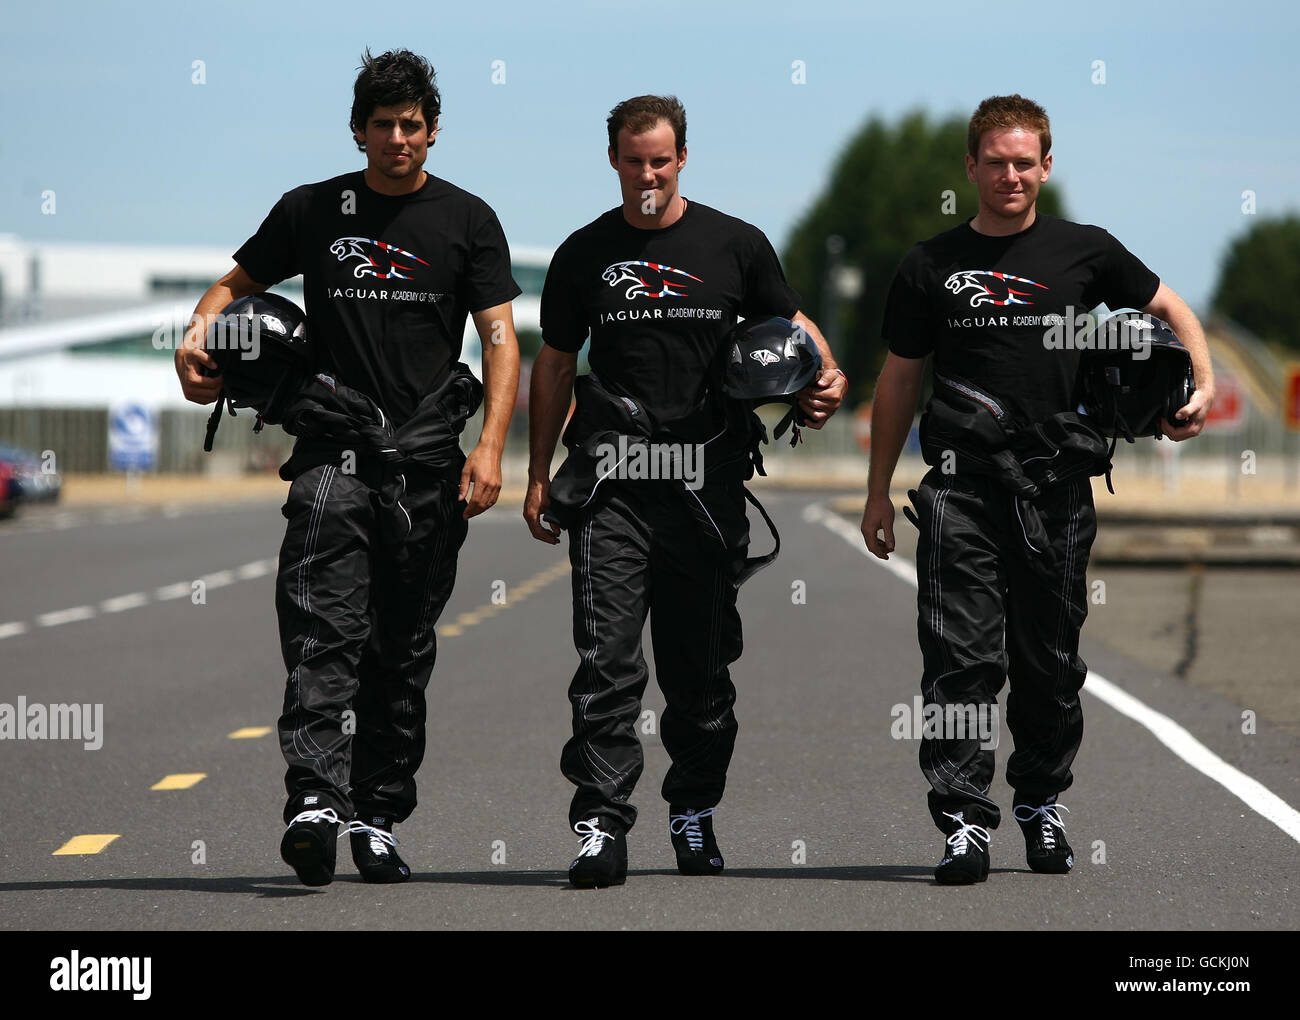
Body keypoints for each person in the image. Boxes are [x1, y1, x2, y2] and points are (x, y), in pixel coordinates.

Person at [174, 49, 521, 886]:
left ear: (432, 131)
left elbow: (503, 342)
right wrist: (194, 338)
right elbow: (231, 285)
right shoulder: (312, 210)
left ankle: (378, 816)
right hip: (334, 453)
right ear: (358, 130)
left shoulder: (468, 221)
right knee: (322, 629)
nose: (396, 138)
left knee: (401, 651)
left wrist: (490, 446)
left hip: (431, 465)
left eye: (411, 125)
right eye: (381, 125)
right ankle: (313, 801)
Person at [860, 94, 1214, 884]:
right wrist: (878, 490)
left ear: (1046, 167)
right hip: (960, 492)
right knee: (960, 663)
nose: (1011, 175)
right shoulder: (930, 264)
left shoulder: (1084, 253)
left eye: (1025, 162)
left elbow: (1170, 307)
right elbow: (899, 381)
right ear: (971, 167)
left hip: (1056, 492)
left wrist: (1201, 382)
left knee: (1049, 664)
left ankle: (1040, 802)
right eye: (996, 161)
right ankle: (962, 821)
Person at [525, 95, 846, 888]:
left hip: (706, 490)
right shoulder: (584, 253)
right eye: (633, 161)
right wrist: (536, 474)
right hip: (611, 490)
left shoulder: (735, 244)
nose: (647, 174)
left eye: (660, 160)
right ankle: (600, 823)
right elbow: (555, 366)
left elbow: (797, 329)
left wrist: (828, 379)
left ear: (683, 158)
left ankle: (693, 810)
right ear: (613, 161)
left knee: (699, 674)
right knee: (606, 664)